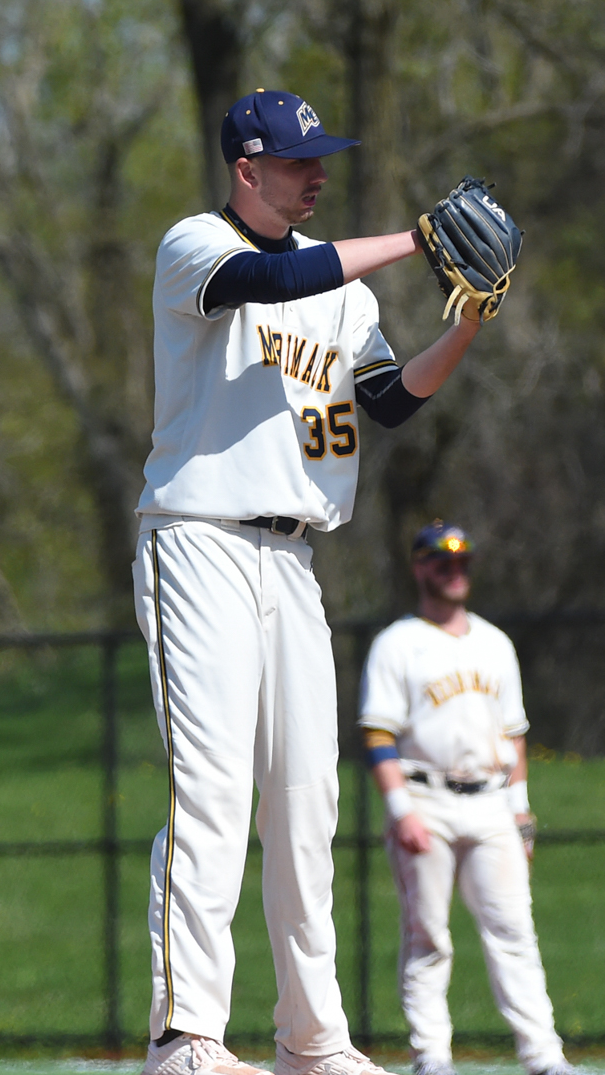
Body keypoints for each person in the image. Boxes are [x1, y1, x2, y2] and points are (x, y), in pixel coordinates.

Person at [134, 90, 495, 1075]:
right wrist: (415, 240)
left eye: (320, 159)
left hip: (293, 560)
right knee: (208, 791)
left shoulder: (351, 295)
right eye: (297, 162)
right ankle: (184, 1037)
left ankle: (311, 1041)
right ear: (244, 167)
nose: (316, 175)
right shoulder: (193, 247)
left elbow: (382, 402)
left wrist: (464, 325)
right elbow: (265, 278)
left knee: (305, 806)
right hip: (197, 537)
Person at [358, 522, 574, 1075]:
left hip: (491, 802)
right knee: (427, 934)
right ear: (419, 567)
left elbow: (514, 734)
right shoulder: (397, 643)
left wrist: (521, 809)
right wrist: (400, 809)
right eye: (440, 561)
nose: (453, 571)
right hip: (425, 797)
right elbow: (379, 733)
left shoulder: (494, 642)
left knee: (514, 930)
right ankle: (431, 1055)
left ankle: (544, 1057)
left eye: (461, 562)